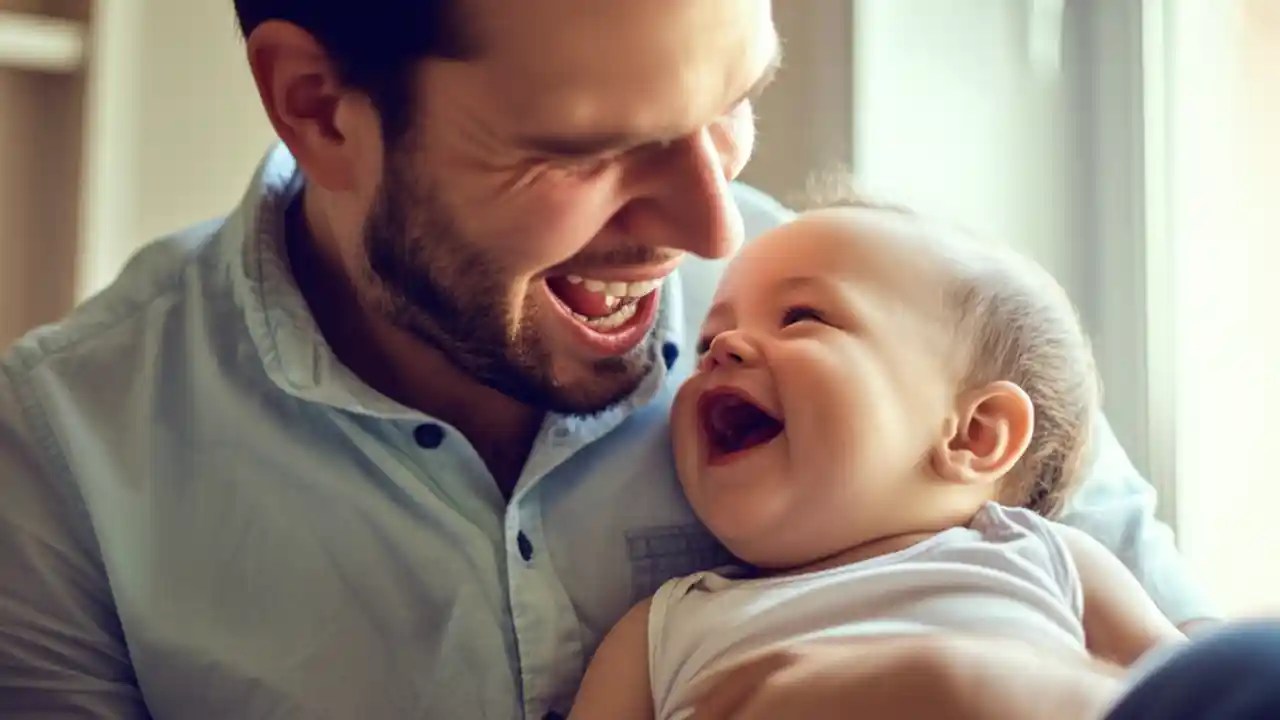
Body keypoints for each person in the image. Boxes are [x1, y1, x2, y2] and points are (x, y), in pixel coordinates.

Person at [0, 1, 1244, 718]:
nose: (712, 229)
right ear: (319, 104)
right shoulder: (67, 459)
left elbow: (1220, 692)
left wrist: (1008, 699)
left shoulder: (904, 320)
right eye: (588, 152)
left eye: (730, 106)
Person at [570, 200, 1186, 719]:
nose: (722, 348)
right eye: (705, 344)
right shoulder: (657, 633)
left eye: (802, 317)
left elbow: (1206, 700)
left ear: (974, 434)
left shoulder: (1047, 559)